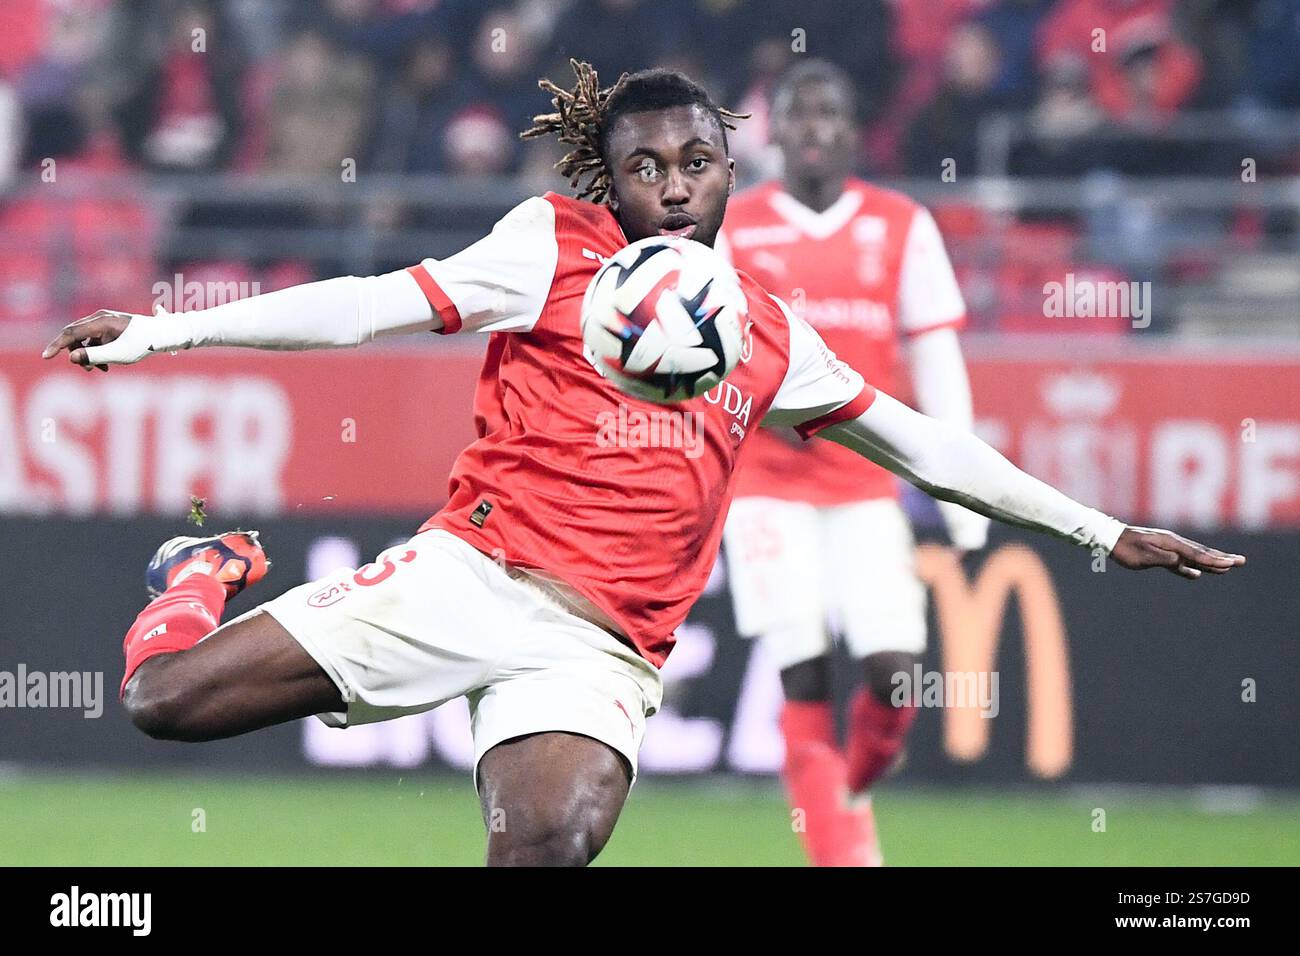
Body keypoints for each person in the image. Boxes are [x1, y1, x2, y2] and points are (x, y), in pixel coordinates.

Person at [42, 60, 1244, 867]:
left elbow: (925, 446)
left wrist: (1099, 531)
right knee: (163, 705)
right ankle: (195, 569)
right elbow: (366, 308)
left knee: (546, 849)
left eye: (697, 164)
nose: (672, 190)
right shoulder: (544, 249)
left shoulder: (770, 331)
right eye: (644, 168)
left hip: (600, 642)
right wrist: (161, 329)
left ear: (732, 167)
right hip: (470, 571)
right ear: (604, 177)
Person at [718, 59, 987, 866]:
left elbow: (938, 362)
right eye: (796, 115)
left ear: (854, 130)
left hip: (866, 482)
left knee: (893, 671)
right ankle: (840, 851)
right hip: (765, 486)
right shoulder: (734, 226)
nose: (813, 129)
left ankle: (859, 784)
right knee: (801, 669)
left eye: (828, 114)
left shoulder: (902, 225)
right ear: (775, 132)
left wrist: (966, 501)